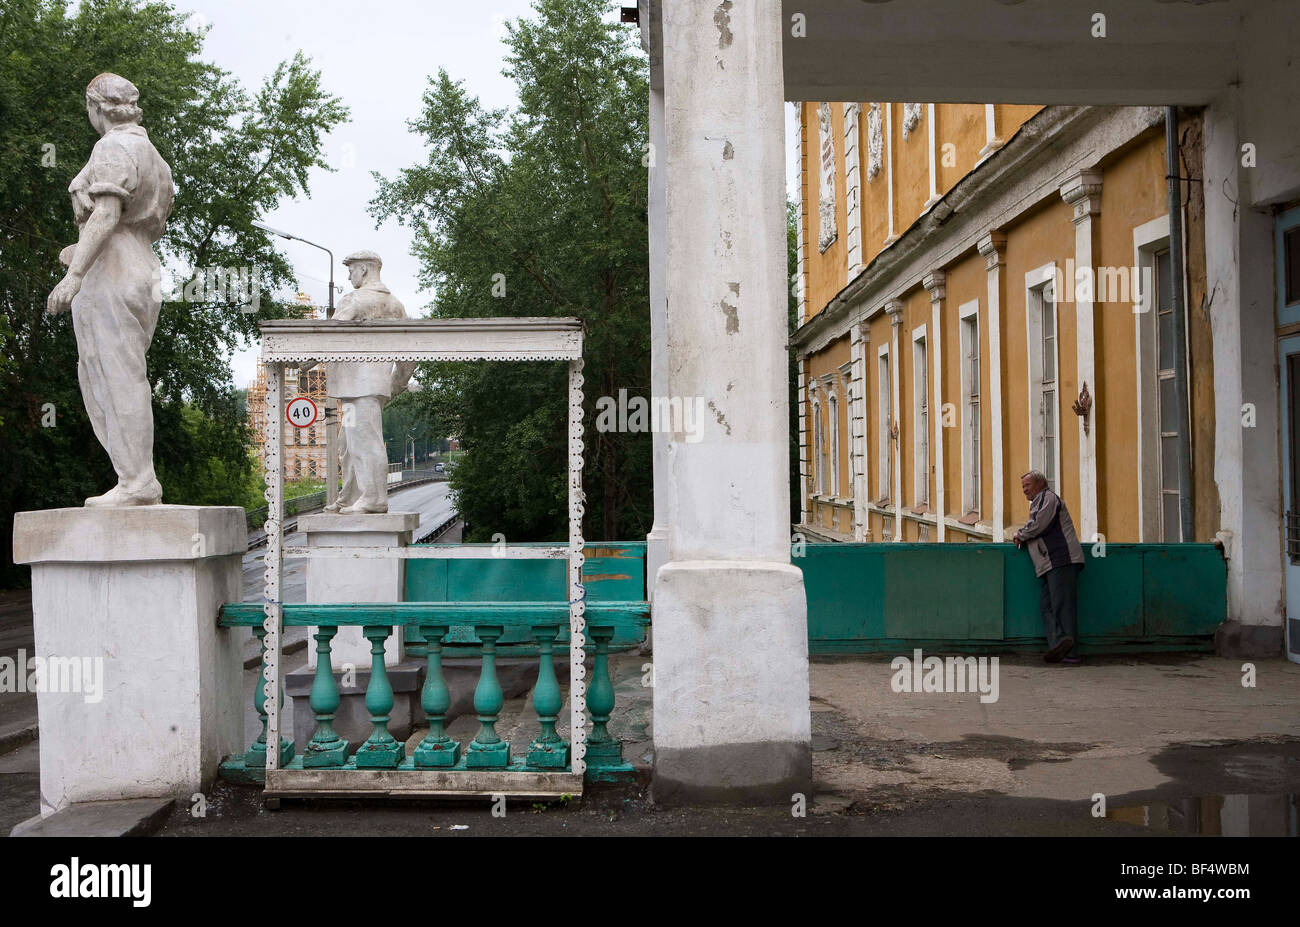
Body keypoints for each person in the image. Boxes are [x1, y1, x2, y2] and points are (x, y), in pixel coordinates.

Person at [46, 73, 174, 506]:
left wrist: (75, 274)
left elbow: (106, 214)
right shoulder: (152, 155)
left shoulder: (113, 146)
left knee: (114, 375)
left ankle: (137, 481)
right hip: (140, 265)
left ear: (95, 106)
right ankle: (135, 478)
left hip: (113, 267)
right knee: (119, 372)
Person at [323, 251, 415, 514]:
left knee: (365, 441)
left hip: (358, 386)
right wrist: (394, 386)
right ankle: (351, 496)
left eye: (351, 270)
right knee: (347, 443)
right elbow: (408, 356)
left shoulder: (354, 300)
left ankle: (373, 499)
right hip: (373, 387)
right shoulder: (396, 305)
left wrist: (301, 361)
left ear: (363, 269)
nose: (349, 275)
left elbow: (325, 338)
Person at [1013, 470, 1085, 664]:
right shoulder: (1039, 501)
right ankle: (1059, 646)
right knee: (1047, 607)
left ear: (1039, 484)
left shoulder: (1048, 497)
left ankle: (1070, 653)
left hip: (1061, 560)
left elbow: (1039, 524)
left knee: (1062, 607)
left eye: (1027, 486)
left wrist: (1020, 535)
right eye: (1023, 487)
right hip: (1048, 564)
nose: (1024, 490)